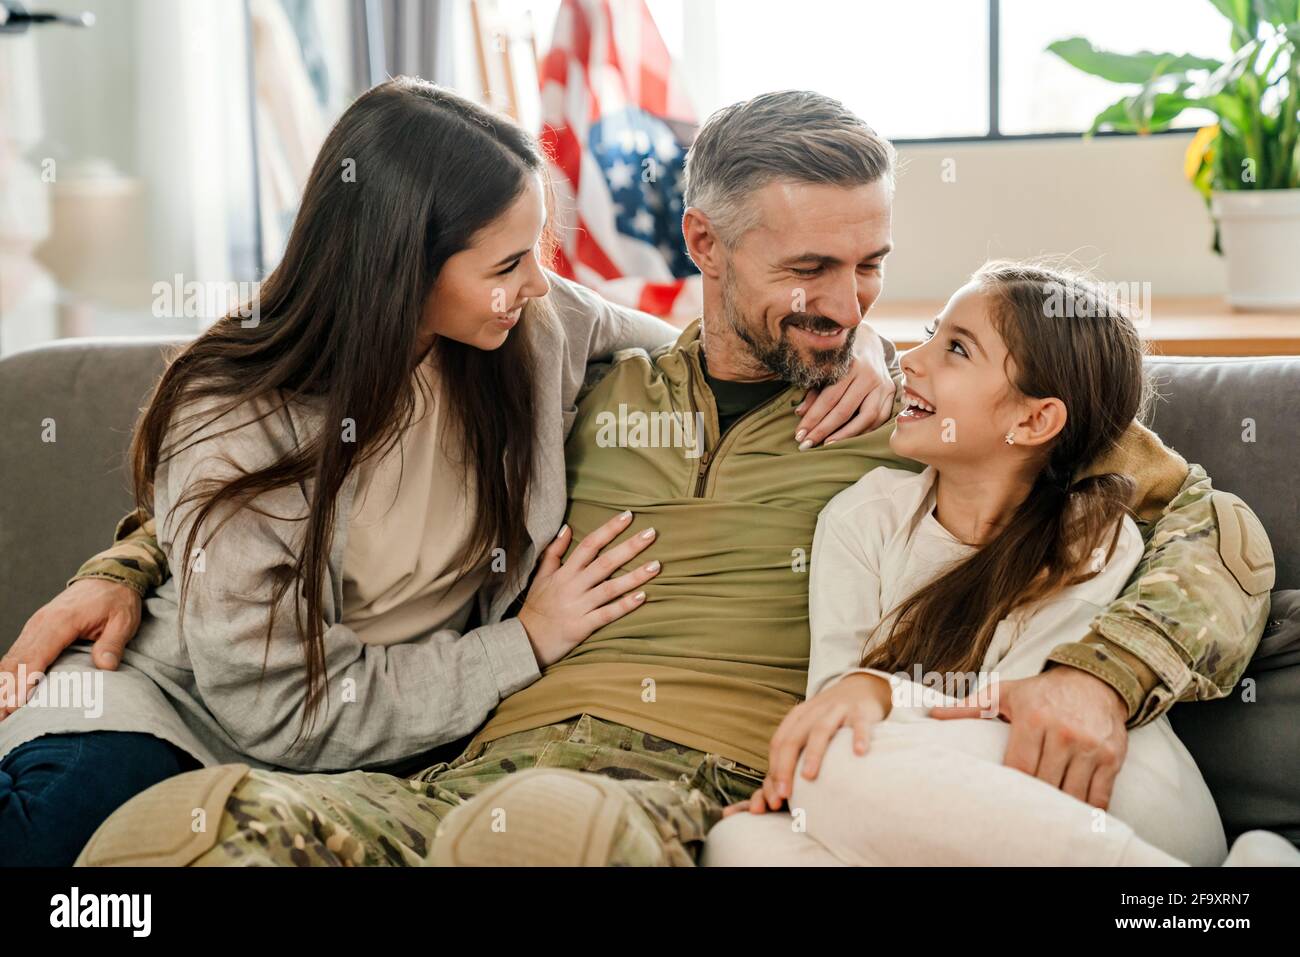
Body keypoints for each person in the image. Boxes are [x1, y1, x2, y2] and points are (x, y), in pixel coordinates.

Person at [71, 90, 1272, 867]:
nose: (852, 306)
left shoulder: (929, 410)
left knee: (548, 839)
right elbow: (271, 444)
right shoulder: (557, 369)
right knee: (173, 842)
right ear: (701, 245)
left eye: (871, 266)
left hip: (695, 789)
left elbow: (1212, 527)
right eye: (809, 267)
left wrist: (1101, 678)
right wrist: (135, 555)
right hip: (475, 766)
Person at [0, 79, 892, 867]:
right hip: (208, 701)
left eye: (536, 252)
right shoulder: (244, 415)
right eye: (509, 264)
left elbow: (715, 349)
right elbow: (272, 683)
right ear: (403, 268)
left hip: (458, 745)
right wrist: (128, 563)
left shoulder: (535, 334)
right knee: (73, 835)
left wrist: (874, 352)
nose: (541, 284)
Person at [706, 262, 1297, 867]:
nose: (911, 359)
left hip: (1108, 794)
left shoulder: (1091, 533)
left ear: (1034, 419)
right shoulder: (860, 518)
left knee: (831, 766)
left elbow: (1023, 712)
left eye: (957, 349)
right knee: (742, 843)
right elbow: (834, 704)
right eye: (933, 333)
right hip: (957, 801)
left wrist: (875, 698)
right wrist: (834, 738)